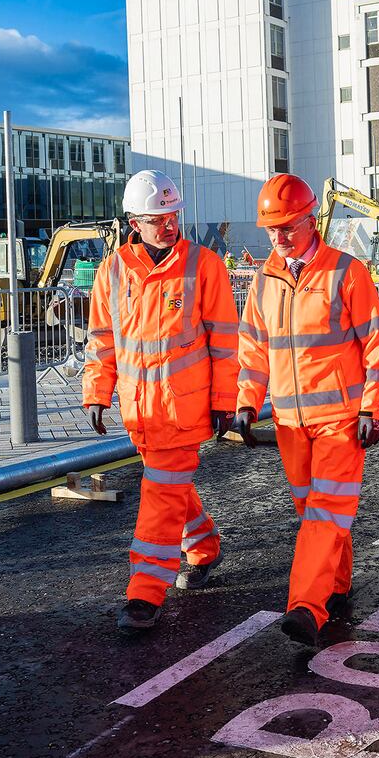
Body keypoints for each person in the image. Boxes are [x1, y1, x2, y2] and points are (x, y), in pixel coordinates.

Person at [233, 175, 379, 647]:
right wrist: (246, 403)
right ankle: (337, 584)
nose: (279, 238)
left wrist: (372, 409)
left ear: (310, 220)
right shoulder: (264, 281)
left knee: (324, 512)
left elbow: (378, 345)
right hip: (288, 423)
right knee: (314, 512)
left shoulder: (347, 272)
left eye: (287, 228)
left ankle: (307, 605)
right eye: (271, 230)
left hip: (342, 420)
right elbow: (254, 351)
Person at [83, 169, 240, 631]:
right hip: (140, 411)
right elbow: (102, 339)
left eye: (173, 215)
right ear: (135, 222)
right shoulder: (112, 270)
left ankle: (145, 593)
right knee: (170, 488)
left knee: (159, 494)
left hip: (184, 407)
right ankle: (205, 546)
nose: (169, 225)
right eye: (158, 219)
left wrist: (224, 400)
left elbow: (225, 341)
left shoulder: (203, 264)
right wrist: (97, 391)